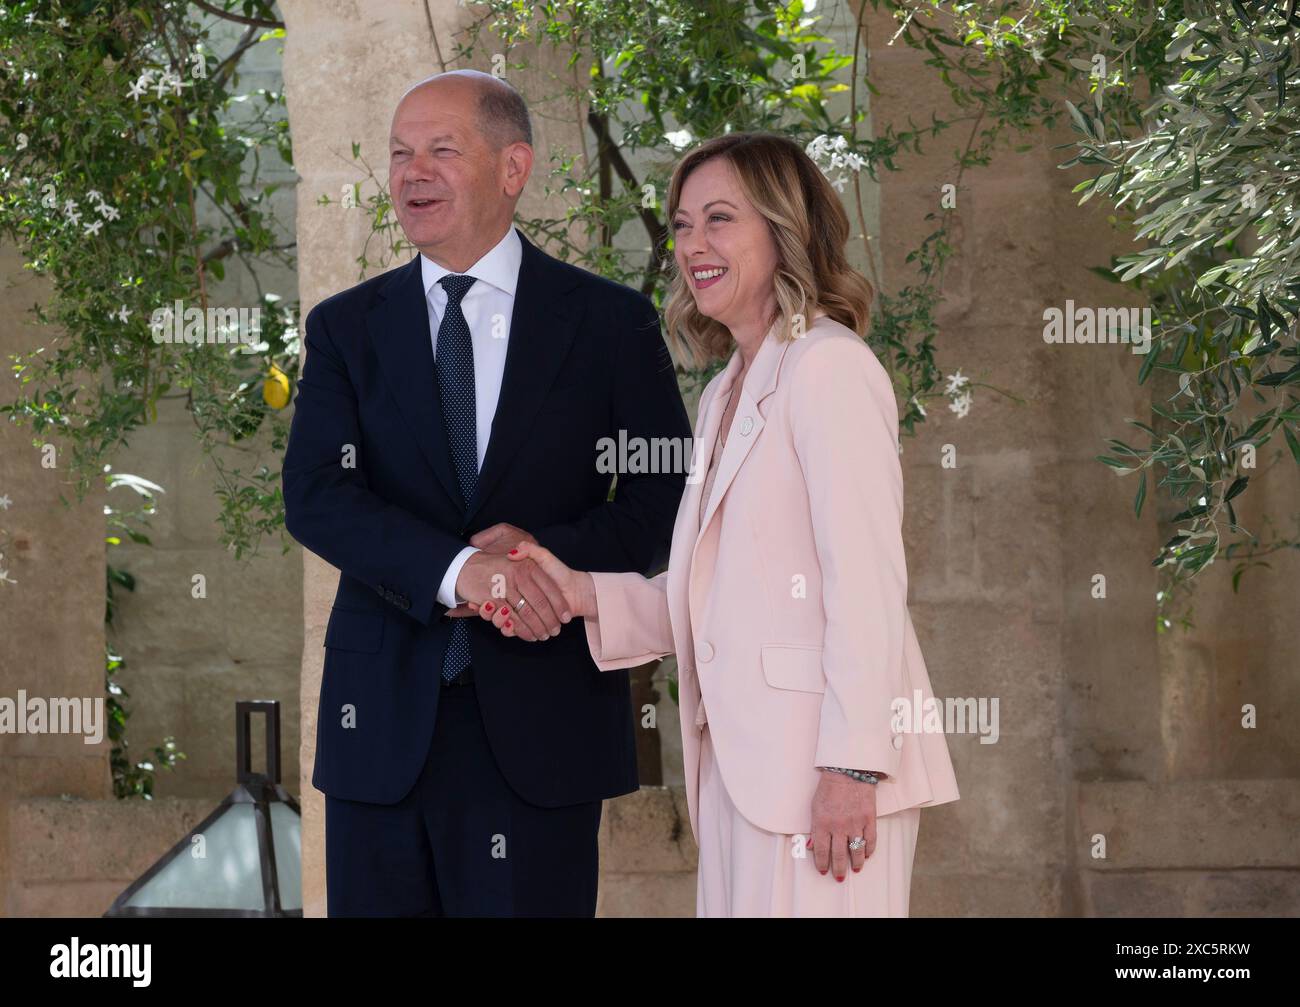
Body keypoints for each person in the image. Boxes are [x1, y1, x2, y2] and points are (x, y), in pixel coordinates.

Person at [464, 132, 959, 917]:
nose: (694, 244)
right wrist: (577, 588)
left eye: (720, 219)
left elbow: (868, 583)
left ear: (783, 229)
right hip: (742, 771)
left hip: (820, 776)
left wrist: (854, 768)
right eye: (684, 223)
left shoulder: (829, 367)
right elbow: (712, 593)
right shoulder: (728, 389)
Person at [282, 69, 691, 916]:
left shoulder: (612, 323)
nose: (411, 173)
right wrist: (462, 569)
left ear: (514, 169)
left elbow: (661, 498)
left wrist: (538, 567)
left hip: (543, 725)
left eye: (440, 149)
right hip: (382, 725)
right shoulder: (344, 327)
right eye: (399, 154)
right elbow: (318, 494)